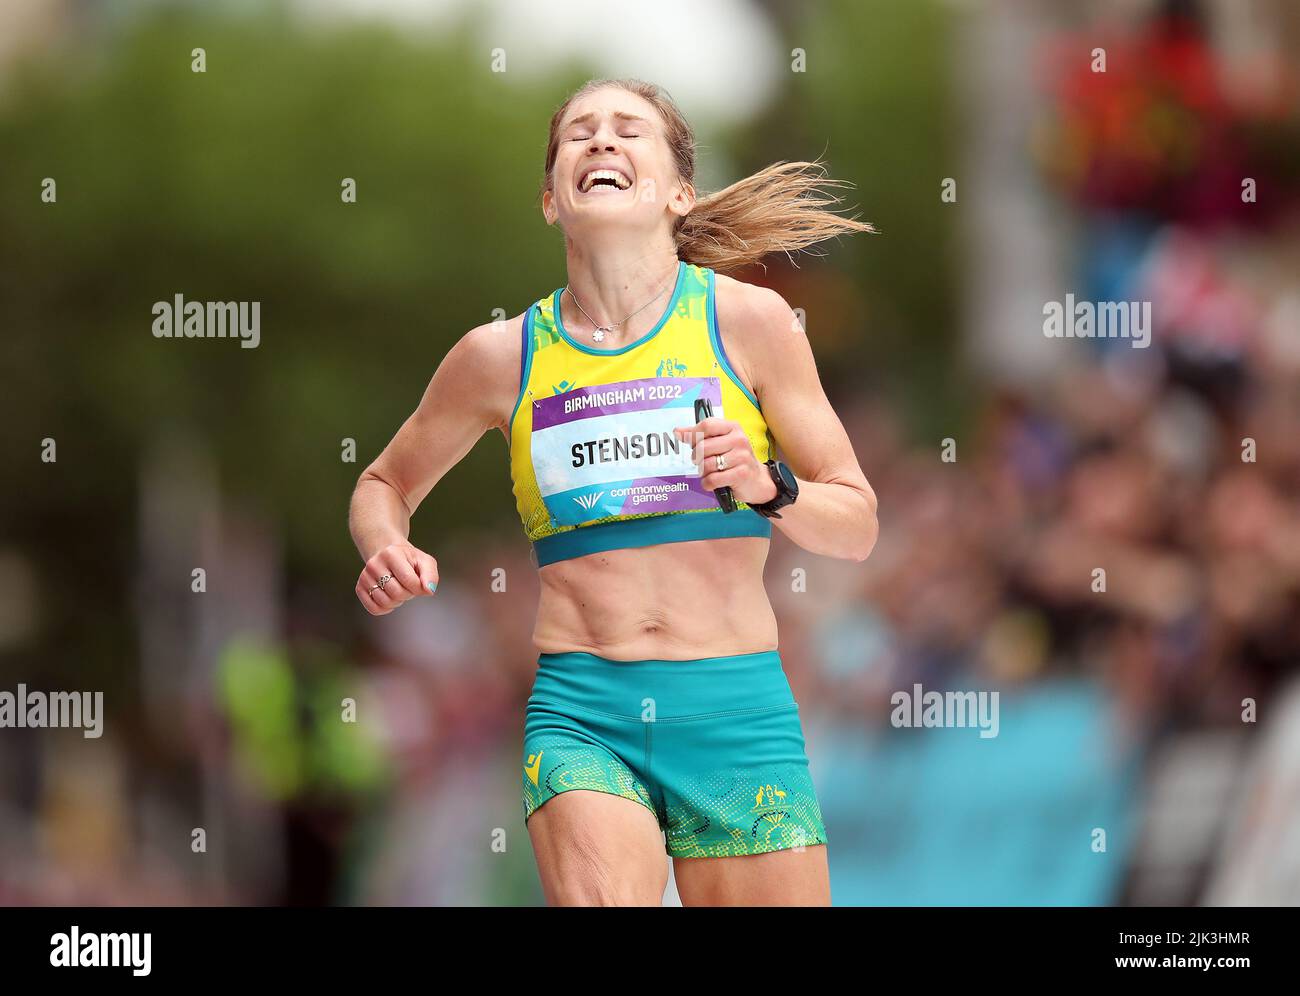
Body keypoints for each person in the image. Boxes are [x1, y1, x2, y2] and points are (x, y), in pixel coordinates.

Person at [348, 78, 878, 906]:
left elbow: (856, 523)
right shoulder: (500, 356)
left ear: (678, 192)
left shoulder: (752, 323)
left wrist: (767, 485)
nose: (600, 142)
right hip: (584, 709)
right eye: (578, 135)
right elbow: (384, 481)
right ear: (551, 201)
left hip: (735, 711)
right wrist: (387, 543)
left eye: (628, 131)